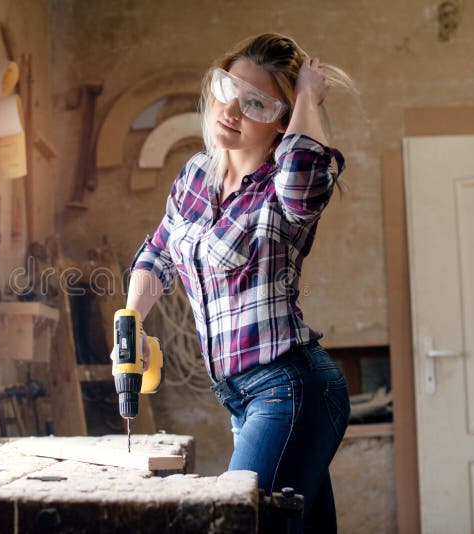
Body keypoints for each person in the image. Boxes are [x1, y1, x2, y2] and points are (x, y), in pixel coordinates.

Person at [117, 33, 356, 532]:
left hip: (289, 388)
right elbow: (157, 253)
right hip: (240, 399)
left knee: (235, 525)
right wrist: (132, 320)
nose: (231, 108)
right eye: (229, 88)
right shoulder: (194, 178)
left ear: (281, 123)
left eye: (256, 103)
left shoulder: (285, 186)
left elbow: (303, 176)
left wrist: (308, 95)